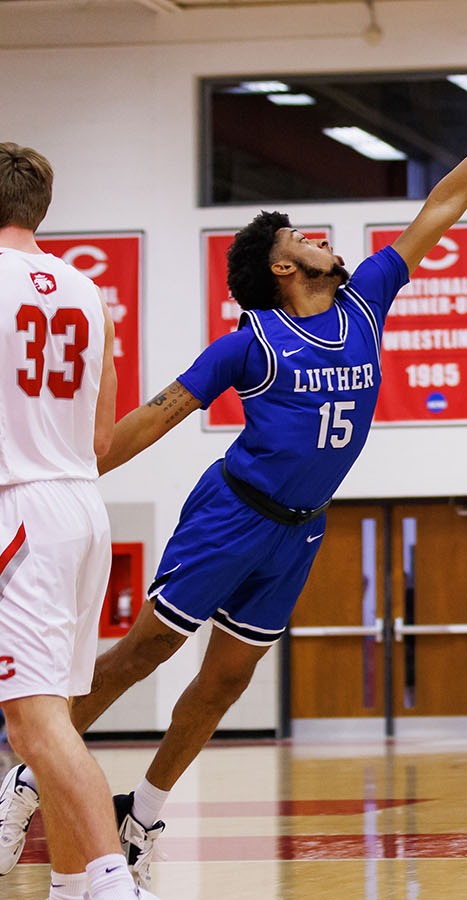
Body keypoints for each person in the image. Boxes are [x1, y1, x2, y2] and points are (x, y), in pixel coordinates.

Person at [0, 46, 467, 890]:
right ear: (282, 268)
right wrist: (77, 469)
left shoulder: (367, 300)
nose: (324, 238)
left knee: (225, 681)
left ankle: (142, 815)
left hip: (301, 530)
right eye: (304, 236)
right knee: (143, 651)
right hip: (234, 509)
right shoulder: (250, 342)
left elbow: (444, 203)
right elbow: (154, 415)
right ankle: (25, 780)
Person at [0, 142, 154, 900]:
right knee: (48, 718)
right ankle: (69, 884)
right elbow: (100, 438)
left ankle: (110, 881)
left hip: (18, 508)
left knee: (34, 725)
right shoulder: (88, 291)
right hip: (80, 507)